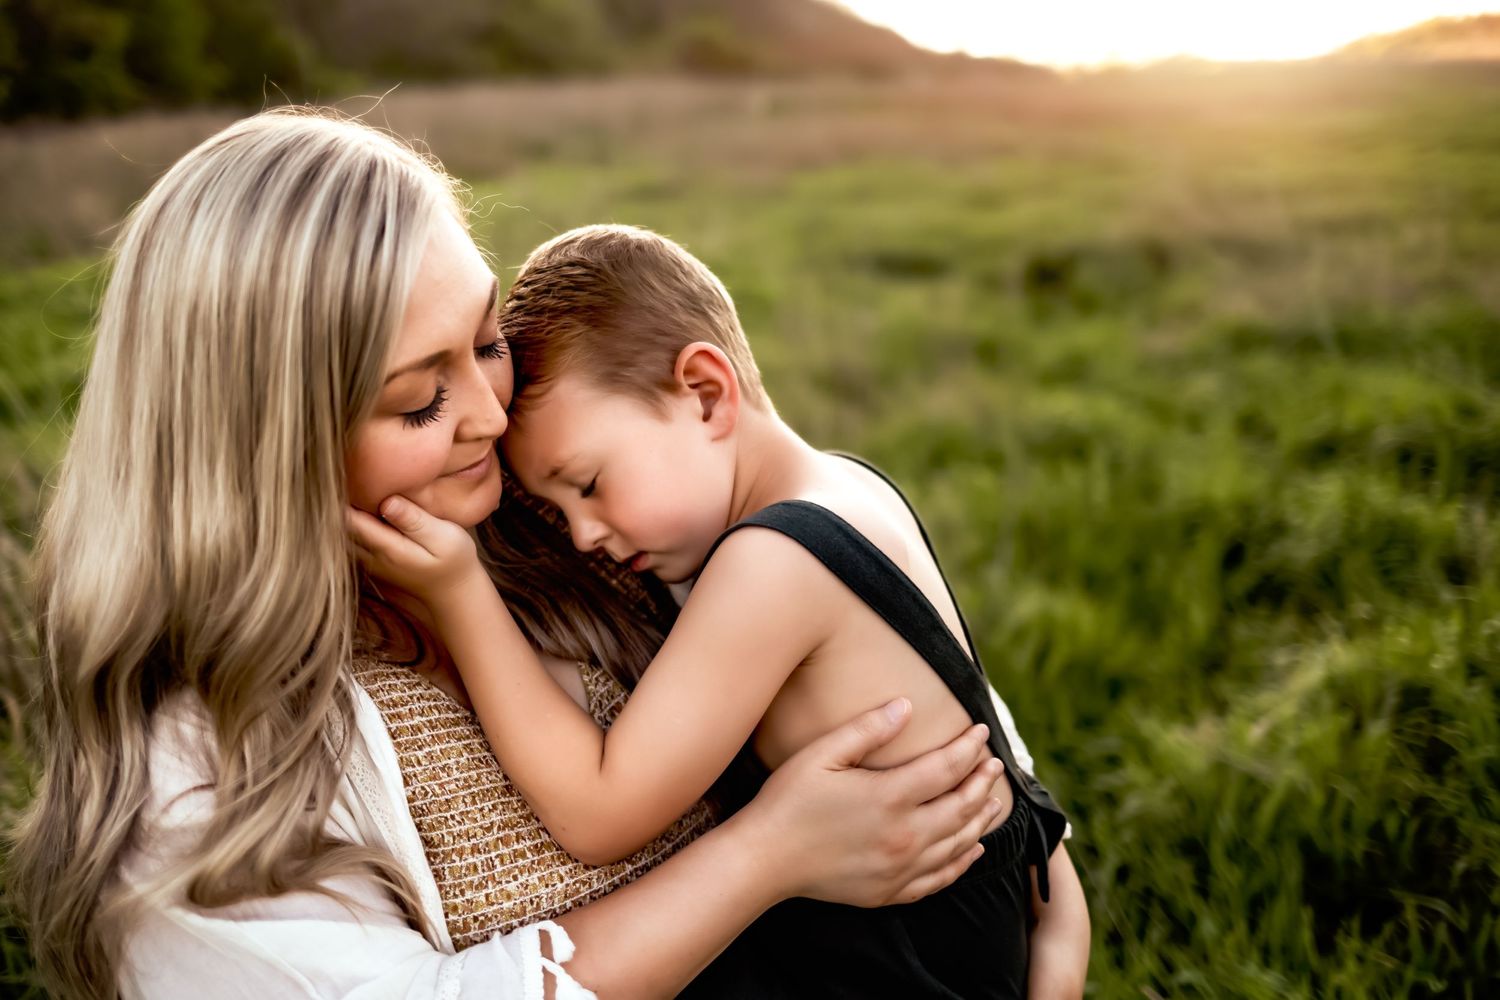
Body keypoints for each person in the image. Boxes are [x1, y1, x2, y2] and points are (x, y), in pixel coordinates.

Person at [5, 110, 1026, 1000]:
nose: (493, 415)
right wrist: (766, 856)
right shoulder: (204, 769)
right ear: (266, 441)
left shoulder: (550, 514)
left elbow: (892, 651)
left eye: (488, 340)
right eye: (420, 399)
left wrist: (1041, 898)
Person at [351, 224, 1091, 997]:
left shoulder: (773, 563)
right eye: (557, 506)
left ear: (706, 393)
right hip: (976, 898)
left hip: (907, 943)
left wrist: (463, 594)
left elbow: (601, 814)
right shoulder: (850, 484)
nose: (582, 534)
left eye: (591, 484)